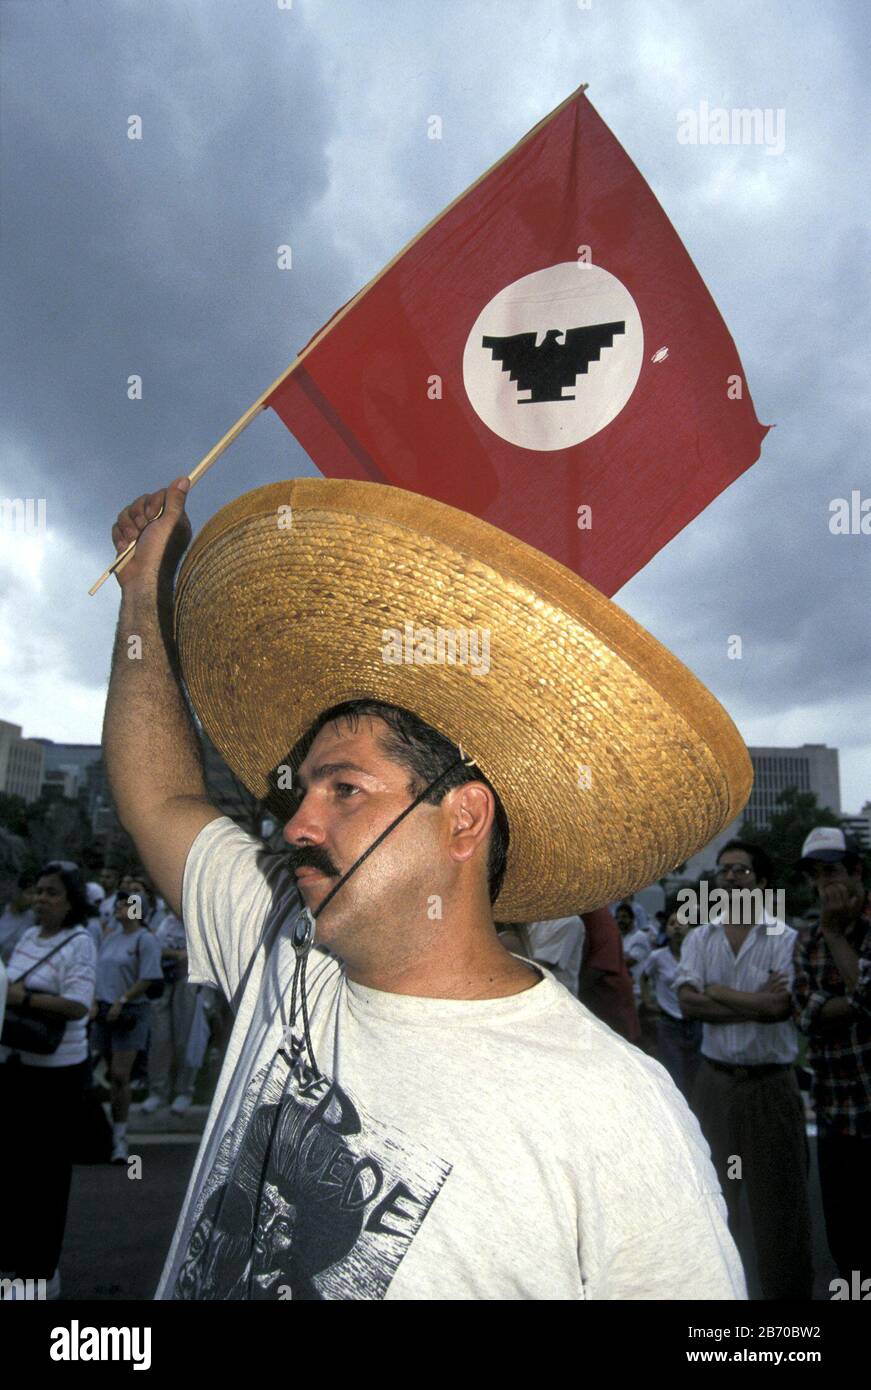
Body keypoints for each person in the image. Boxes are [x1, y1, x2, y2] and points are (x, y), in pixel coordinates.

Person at [103, 475, 754, 1301]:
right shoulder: (283, 952)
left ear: (462, 820)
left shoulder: (611, 1107)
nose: (296, 825)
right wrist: (140, 590)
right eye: (299, 793)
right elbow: (159, 798)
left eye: (343, 790)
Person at [675, 839, 813, 1300]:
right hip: (715, 1087)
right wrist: (751, 1003)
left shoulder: (785, 938)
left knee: (780, 1210)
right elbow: (687, 1004)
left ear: (763, 882)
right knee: (715, 1203)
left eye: (741, 870)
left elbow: (780, 1007)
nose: (731, 877)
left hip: (770, 1087)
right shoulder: (700, 937)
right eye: (724, 870)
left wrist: (715, 991)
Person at [0, 861, 97, 1298]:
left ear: (71, 901)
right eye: (38, 891)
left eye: (52, 893)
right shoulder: (25, 937)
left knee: (47, 1179)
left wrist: (24, 997)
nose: (41, 900)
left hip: (58, 1076)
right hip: (19, 1064)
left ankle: (41, 1275)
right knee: (16, 1173)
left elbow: (78, 1005)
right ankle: (13, 1264)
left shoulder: (80, 943)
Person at [792, 826, 871, 1283]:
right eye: (816, 876)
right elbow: (803, 1015)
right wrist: (851, 1001)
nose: (825, 886)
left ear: (856, 871)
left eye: (833, 872)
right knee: (847, 1242)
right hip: (835, 1110)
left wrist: (837, 938)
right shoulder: (806, 940)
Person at [92, 874, 163, 1162]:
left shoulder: (145, 939)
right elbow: (101, 973)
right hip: (104, 1010)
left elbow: (148, 977)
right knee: (107, 1075)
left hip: (129, 1012)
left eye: (125, 905)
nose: (119, 909)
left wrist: (123, 1000)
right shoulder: (110, 938)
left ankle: (120, 1137)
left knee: (121, 1075)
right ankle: (106, 1130)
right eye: (118, 904)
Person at [140, 907, 205, 1115]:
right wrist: (178, 954)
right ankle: (157, 1092)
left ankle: (184, 1091)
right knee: (160, 1038)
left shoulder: (199, 920)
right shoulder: (166, 922)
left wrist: (176, 955)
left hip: (189, 981)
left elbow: (199, 952)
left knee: (185, 1038)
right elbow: (154, 947)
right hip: (164, 980)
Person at [640, 898, 701, 1100]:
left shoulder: (697, 956)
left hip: (696, 1022)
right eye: (672, 924)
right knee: (674, 1075)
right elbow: (644, 976)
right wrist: (648, 1000)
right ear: (666, 930)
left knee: (696, 1076)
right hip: (669, 1023)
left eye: (682, 923)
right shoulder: (657, 957)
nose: (677, 928)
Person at [0, 872, 36, 964]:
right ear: (18, 892)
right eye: (29, 893)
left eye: (35, 894)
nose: (33, 898)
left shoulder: (34, 918)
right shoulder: (2, 913)